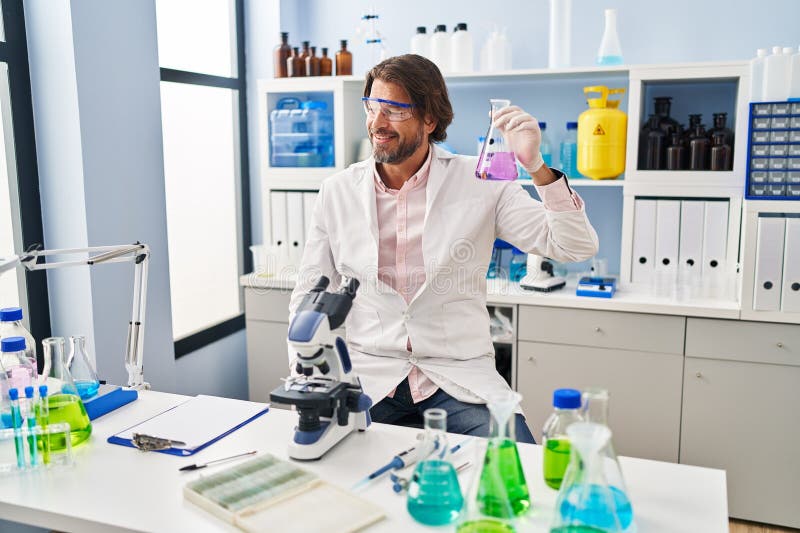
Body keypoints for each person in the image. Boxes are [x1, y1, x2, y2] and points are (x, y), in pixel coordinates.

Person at [288, 54, 598, 443]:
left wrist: (536, 167)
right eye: (372, 107)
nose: (377, 123)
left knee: (515, 467)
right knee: (337, 473)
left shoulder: (481, 181)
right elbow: (307, 295)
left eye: (394, 110)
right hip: (370, 378)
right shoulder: (337, 192)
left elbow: (575, 245)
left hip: (459, 379)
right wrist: (310, 377)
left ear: (429, 119)